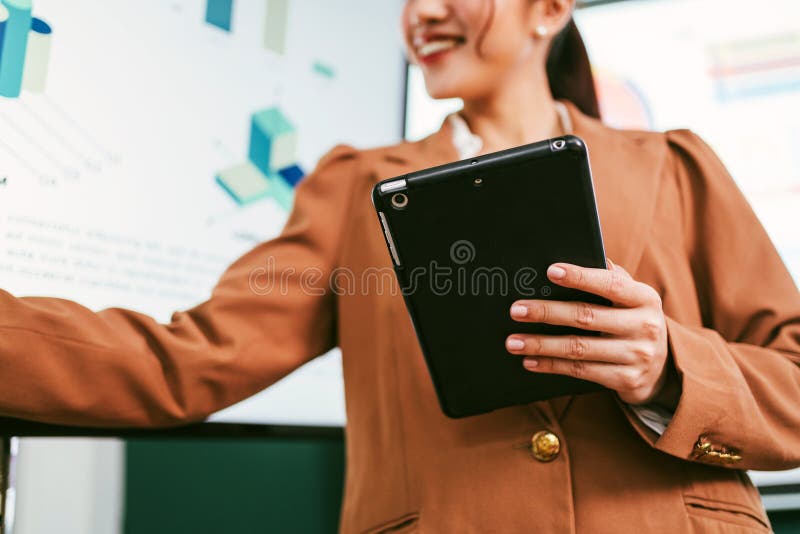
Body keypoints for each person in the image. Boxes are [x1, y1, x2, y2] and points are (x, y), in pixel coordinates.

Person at [0, 0, 798, 531]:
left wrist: (667, 367)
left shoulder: (679, 166)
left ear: (550, 10)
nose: (421, 13)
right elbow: (188, 360)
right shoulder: (354, 188)